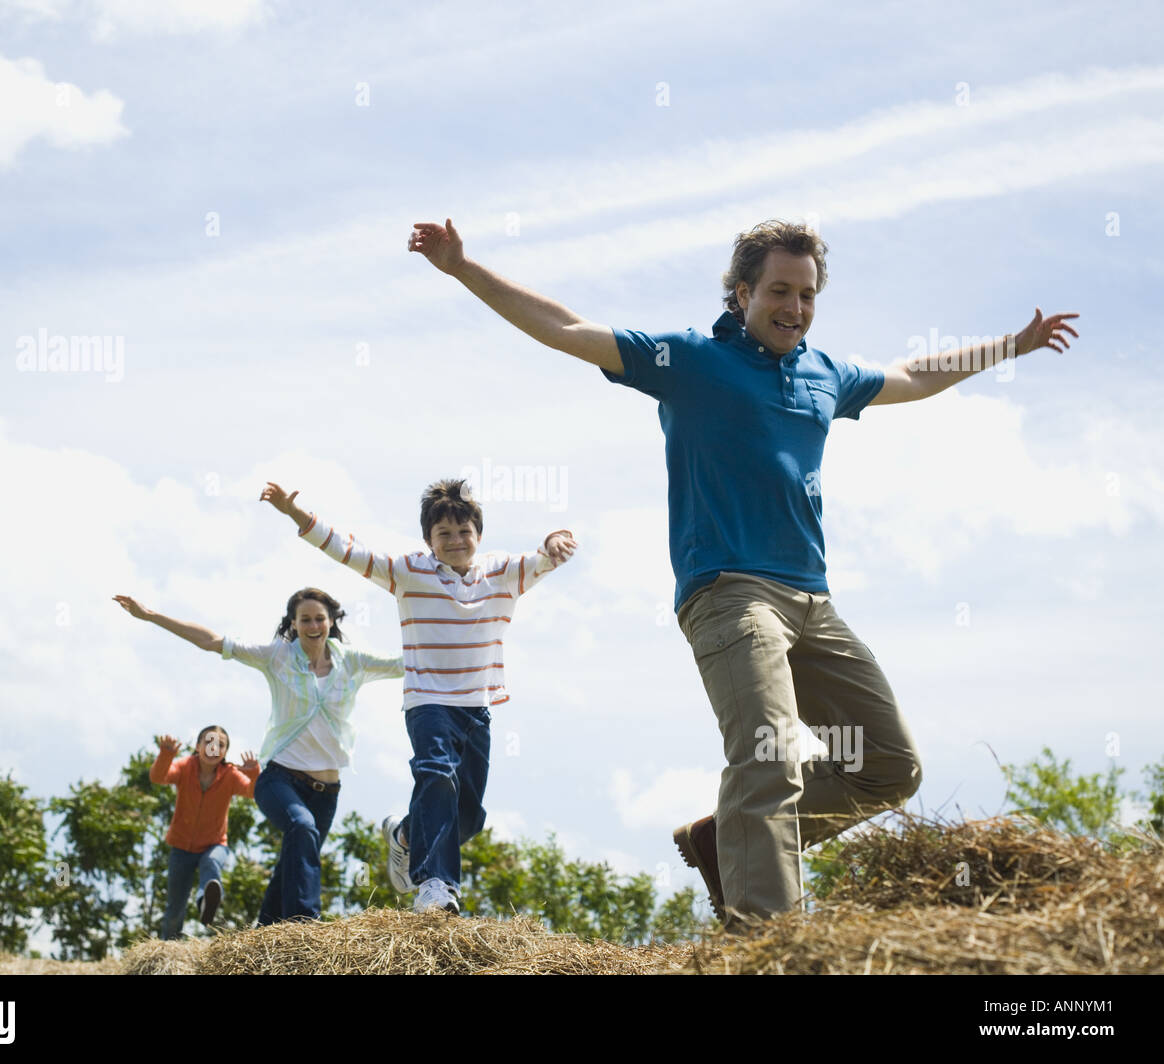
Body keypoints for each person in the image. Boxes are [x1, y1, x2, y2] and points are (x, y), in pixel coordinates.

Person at [407, 216, 1079, 927]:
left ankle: (726, 841)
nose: (795, 307)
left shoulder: (825, 373)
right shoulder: (690, 361)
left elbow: (913, 375)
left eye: (808, 295)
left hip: (812, 603)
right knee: (771, 758)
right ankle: (771, 942)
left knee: (889, 766)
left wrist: (1013, 344)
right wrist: (463, 267)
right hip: (729, 594)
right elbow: (569, 329)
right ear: (740, 295)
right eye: (779, 292)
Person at [259, 478, 576, 914]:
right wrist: (297, 515)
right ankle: (436, 887)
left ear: (478, 536)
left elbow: (545, 556)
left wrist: (555, 539)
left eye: (463, 532)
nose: (455, 541)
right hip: (427, 702)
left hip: (477, 706)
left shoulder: (503, 572)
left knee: (466, 813)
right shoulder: (409, 572)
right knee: (437, 774)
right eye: (443, 534)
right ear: (429, 540)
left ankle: (405, 836)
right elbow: (349, 551)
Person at [114, 588, 403, 923]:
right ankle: (306, 924)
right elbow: (212, 641)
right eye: (304, 619)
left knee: (294, 862)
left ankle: (264, 934)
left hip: (328, 792)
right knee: (302, 829)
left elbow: (404, 663)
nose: (313, 625)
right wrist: (151, 616)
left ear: (331, 621)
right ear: (293, 624)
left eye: (319, 618)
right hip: (281, 779)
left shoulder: (350, 661)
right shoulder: (277, 656)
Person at [148, 725, 259, 939]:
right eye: (208, 742)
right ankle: (168, 952)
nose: (213, 747)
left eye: (220, 744)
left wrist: (254, 775)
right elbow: (158, 777)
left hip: (215, 844)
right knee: (174, 909)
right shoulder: (184, 766)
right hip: (181, 848)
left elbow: (251, 791)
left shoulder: (230, 775)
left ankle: (205, 903)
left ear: (225, 752)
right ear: (198, 746)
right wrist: (166, 754)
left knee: (210, 863)